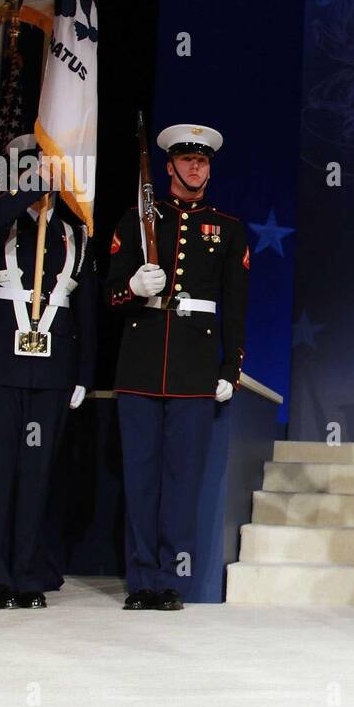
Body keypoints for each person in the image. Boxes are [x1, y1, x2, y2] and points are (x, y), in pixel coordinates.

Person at [105, 124, 248, 611]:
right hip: (141, 362)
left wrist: (230, 369)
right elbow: (110, 294)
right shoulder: (137, 218)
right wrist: (134, 289)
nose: (194, 167)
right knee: (140, 477)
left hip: (193, 366)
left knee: (182, 480)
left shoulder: (227, 228)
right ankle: (140, 579)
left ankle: (170, 580)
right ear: (168, 167)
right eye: (186, 159)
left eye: (202, 161)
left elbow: (236, 305)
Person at [0, 136, 96, 610]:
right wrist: (28, 190)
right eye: (29, 171)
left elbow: (83, 304)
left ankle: (25, 575)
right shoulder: (2, 221)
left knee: (35, 472)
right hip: (1, 362)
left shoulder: (73, 231)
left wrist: (84, 372)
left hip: (52, 369)